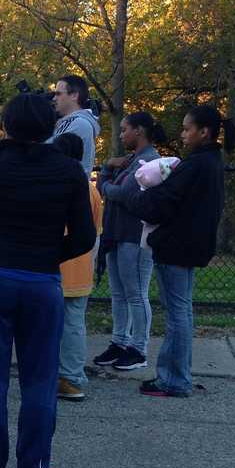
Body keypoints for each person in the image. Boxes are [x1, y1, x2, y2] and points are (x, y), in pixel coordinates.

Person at [0, 93, 95, 468]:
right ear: (50, 126)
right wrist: (47, 254)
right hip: (42, 283)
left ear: (6, 126)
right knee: (40, 381)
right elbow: (84, 237)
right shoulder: (68, 172)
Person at [104, 105, 234, 398]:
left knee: (177, 315)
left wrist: (136, 199)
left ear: (205, 132)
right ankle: (179, 375)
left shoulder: (195, 166)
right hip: (190, 245)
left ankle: (173, 379)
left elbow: (160, 202)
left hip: (177, 247)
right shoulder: (210, 162)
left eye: (188, 128)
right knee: (182, 312)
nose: (183, 133)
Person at [93, 112, 165, 371]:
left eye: (125, 130)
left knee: (136, 294)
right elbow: (107, 186)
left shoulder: (150, 161)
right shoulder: (130, 160)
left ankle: (139, 349)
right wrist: (108, 168)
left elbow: (123, 193)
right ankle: (119, 342)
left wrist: (107, 181)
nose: (121, 135)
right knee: (118, 293)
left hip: (135, 237)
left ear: (140, 130)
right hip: (116, 234)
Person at [47, 76, 100, 403]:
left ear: (76, 95)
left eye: (58, 93)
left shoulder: (78, 127)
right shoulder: (87, 191)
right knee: (68, 318)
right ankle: (65, 374)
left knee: (70, 320)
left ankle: (70, 377)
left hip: (71, 264)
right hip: (74, 261)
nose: (54, 98)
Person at [50, 75, 100, 174]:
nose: (54, 98)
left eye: (58, 94)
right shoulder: (68, 122)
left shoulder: (79, 123)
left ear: (74, 96)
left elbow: (52, 157)